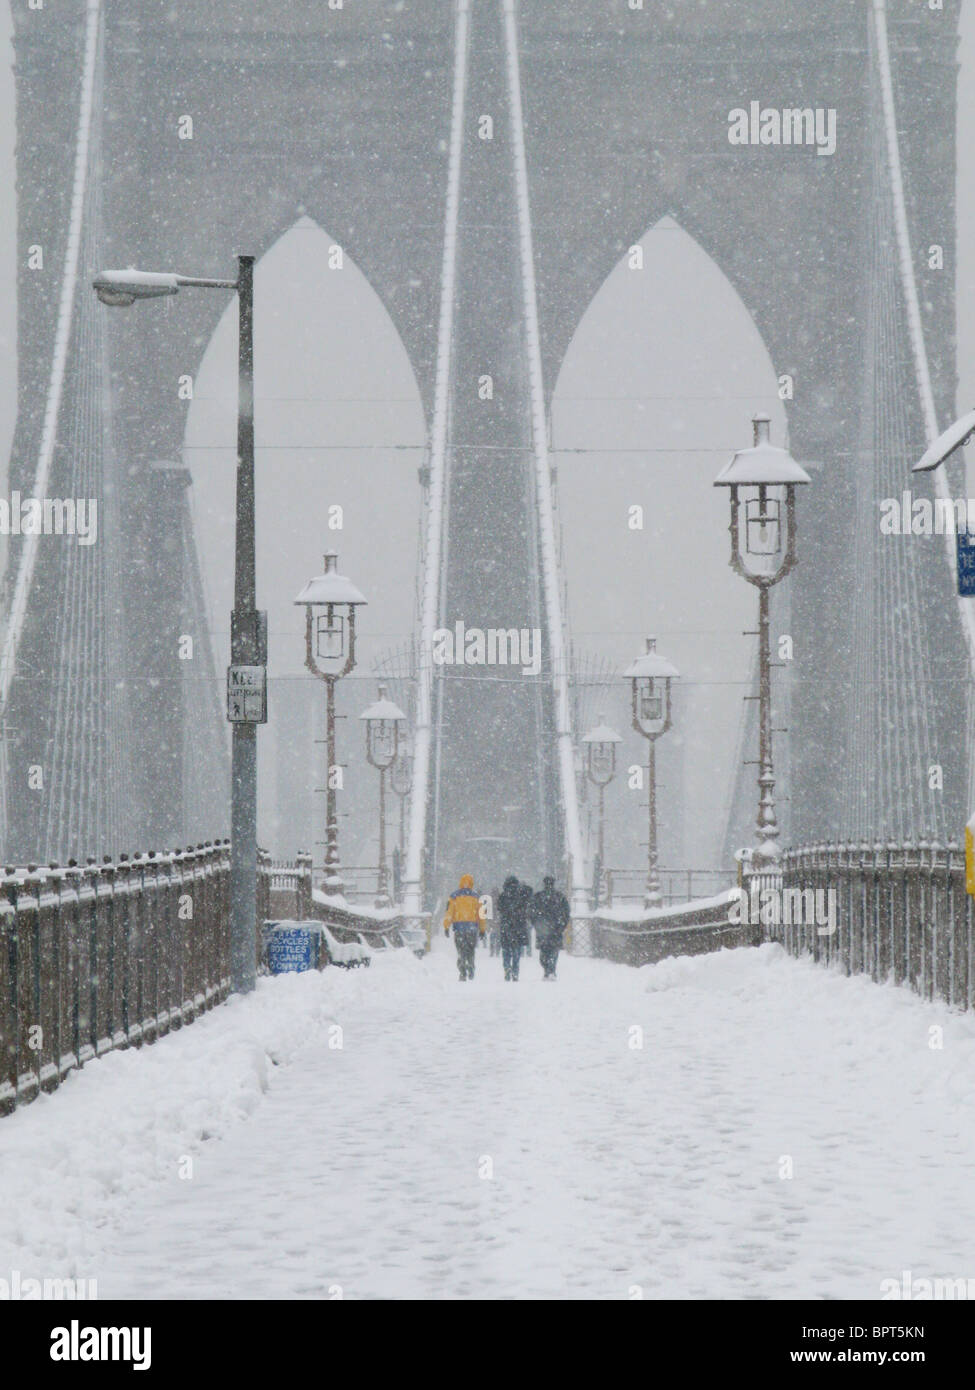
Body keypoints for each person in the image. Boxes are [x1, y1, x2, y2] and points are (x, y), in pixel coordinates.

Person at [443, 873, 484, 981]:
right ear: (472, 884)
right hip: (472, 929)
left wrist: (446, 926)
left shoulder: (454, 897)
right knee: (470, 950)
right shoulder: (476, 897)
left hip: (459, 929)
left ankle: (462, 972)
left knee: (461, 951)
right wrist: (482, 929)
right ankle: (470, 966)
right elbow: (481, 915)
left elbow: (449, 912)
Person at [531, 875, 570, 980]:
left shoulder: (538, 897)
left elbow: (532, 912)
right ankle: (551, 970)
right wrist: (562, 925)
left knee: (544, 952)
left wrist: (535, 924)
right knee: (554, 951)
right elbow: (566, 913)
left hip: (543, 929)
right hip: (556, 928)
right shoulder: (560, 897)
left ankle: (547, 970)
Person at [497, 876, 529, 981]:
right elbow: (527, 904)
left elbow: (499, 908)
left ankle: (507, 967)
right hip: (518, 926)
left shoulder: (503, 896)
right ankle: (515, 970)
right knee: (516, 950)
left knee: (506, 949)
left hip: (506, 926)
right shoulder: (521, 895)